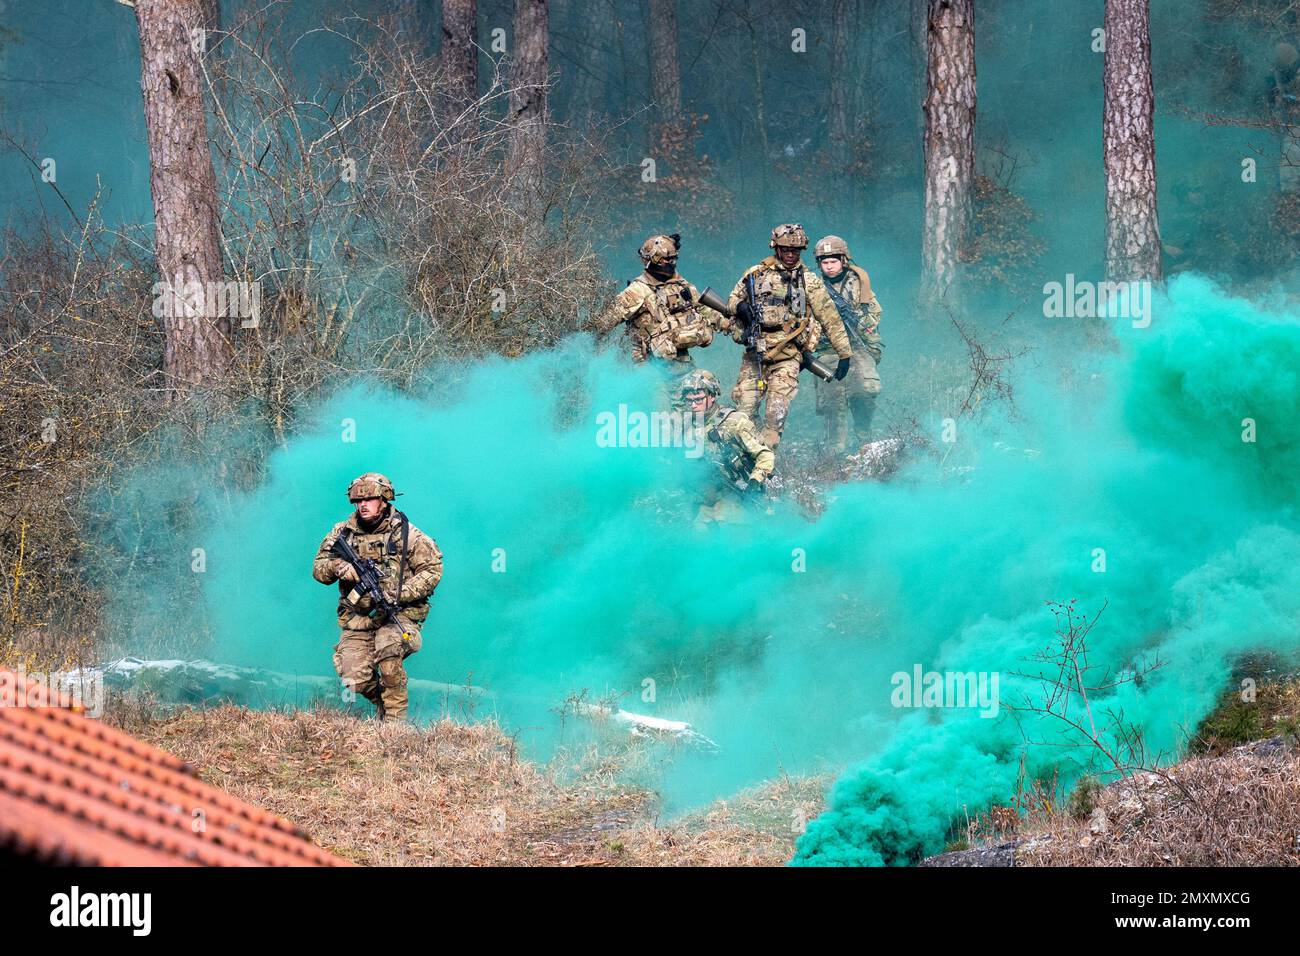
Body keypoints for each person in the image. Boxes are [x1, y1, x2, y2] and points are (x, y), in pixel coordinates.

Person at [312, 473, 443, 722]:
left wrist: (398, 593)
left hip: (398, 616)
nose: (363, 505)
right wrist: (339, 567)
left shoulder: (407, 534)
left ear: (384, 500)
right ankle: (386, 704)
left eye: (370, 499)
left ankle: (394, 727)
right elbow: (318, 569)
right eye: (358, 501)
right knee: (354, 680)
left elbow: (432, 570)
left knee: (388, 655)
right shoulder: (342, 533)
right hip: (358, 618)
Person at [726, 224, 853, 449]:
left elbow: (830, 318)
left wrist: (844, 354)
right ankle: (753, 454)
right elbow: (732, 300)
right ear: (776, 248)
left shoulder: (808, 281)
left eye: (795, 251)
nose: (791, 255)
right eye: (786, 250)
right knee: (744, 411)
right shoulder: (756, 274)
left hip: (788, 355)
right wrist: (740, 307)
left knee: (775, 415)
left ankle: (766, 460)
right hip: (755, 352)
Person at [595, 233, 727, 365]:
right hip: (646, 365)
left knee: (705, 377)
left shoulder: (680, 284)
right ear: (654, 260)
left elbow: (705, 310)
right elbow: (603, 322)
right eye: (668, 260)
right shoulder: (638, 290)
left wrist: (729, 324)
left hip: (678, 362)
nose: (672, 263)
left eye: (674, 259)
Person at [812, 234, 885, 453]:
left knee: (865, 391)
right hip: (828, 348)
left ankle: (864, 438)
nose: (829, 266)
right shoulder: (813, 287)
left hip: (857, 346)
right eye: (825, 262)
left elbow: (874, 312)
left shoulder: (858, 283)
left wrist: (857, 321)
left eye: (833, 261)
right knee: (833, 401)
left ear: (843, 260)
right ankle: (835, 450)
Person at [675, 369, 775, 526]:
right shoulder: (686, 426)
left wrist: (754, 482)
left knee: (726, 522)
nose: (693, 405)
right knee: (698, 530)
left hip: (738, 493)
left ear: (712, 396)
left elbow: (765, 455)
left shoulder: (733, 421)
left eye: (699, 399)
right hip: (706, 497)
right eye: (689, 401)